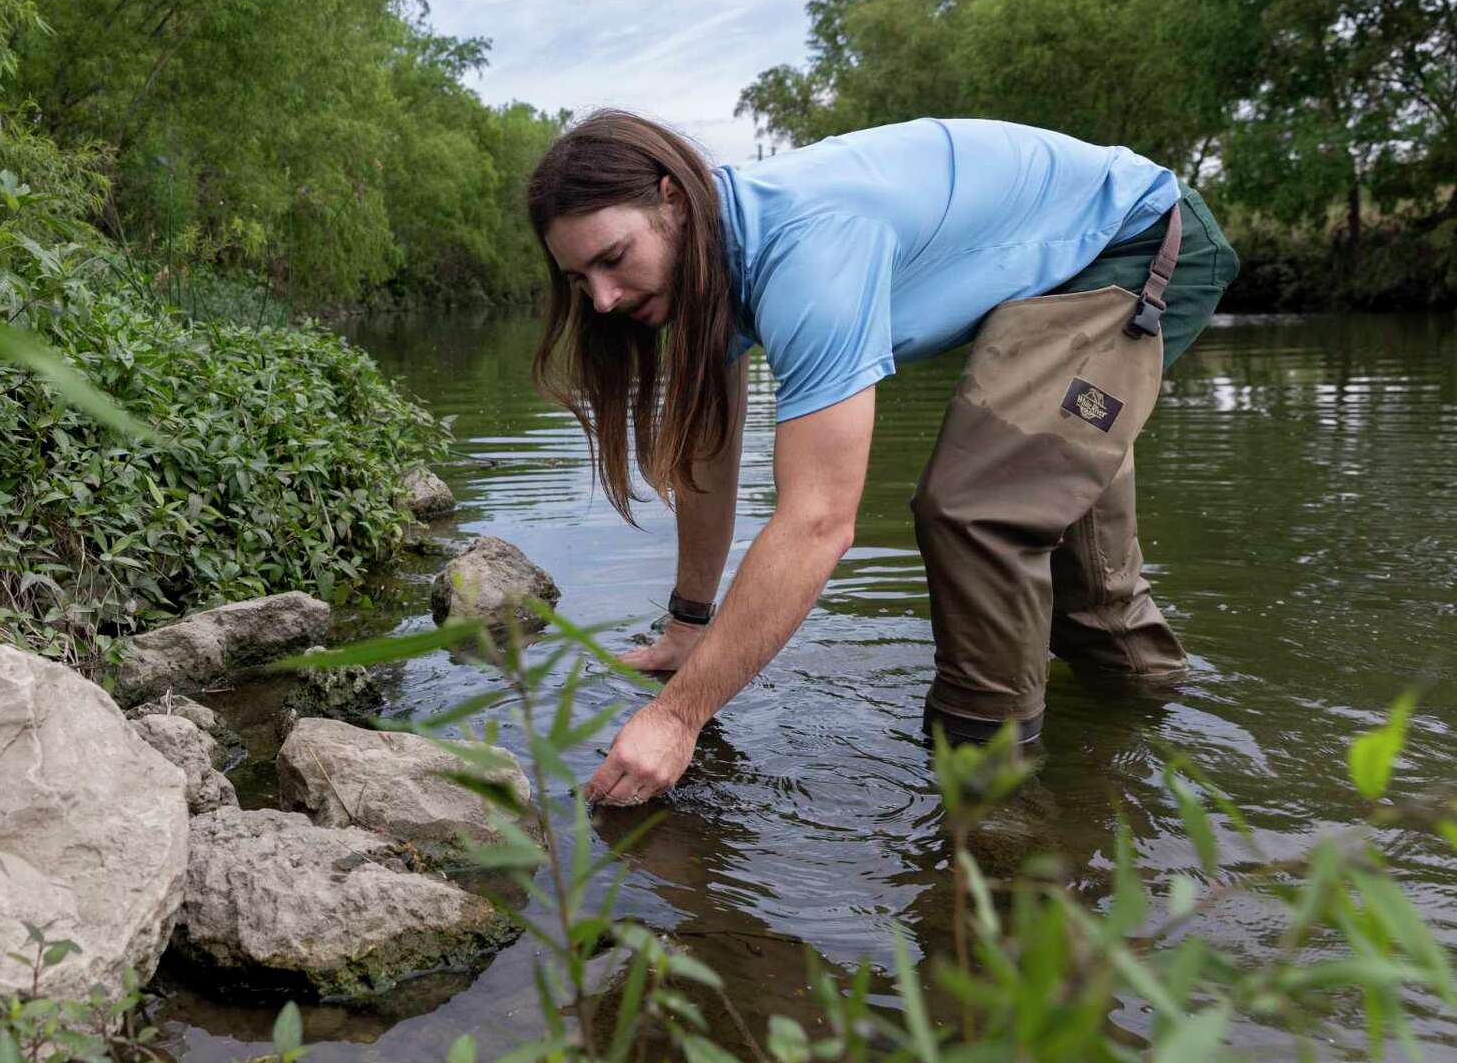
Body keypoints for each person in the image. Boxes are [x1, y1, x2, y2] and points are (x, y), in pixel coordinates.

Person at [528, 111, 1240, 808]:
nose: (603, 299)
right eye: (580, 280)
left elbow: (818, 522)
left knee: (980, 511)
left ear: (671, 199)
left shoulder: (810, 252)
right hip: (1066, 270)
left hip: (1136, 245)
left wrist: (677, 718)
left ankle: (991, 809)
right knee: (1079, 576)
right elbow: (707, 457)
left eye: (613, 259)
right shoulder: (716, 261)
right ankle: (1159, 733)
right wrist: (688, 627)